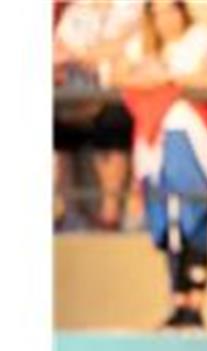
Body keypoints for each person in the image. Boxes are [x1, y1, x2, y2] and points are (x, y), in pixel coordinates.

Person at [110, 0, 207, 329]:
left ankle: (195, 303)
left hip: (190, 138)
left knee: (193, 218)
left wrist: (170, 78)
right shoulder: (142, 45)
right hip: (153, 143)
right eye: (157, 13)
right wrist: (150, 78)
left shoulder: (199, 38)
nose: (165, 20)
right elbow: (118, 75)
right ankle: (178, 300)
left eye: (170, 10)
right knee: (167, 222)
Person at [54, 0, 141, 231]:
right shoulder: (76, 12)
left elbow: (135, 45)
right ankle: (71, 212)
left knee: (114, 123)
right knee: (60, 132)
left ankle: (110, 215)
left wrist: (86, 54)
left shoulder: (132, 8)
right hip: (77, 96)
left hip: (118, 93)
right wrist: (106, 50)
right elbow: (61, 52)